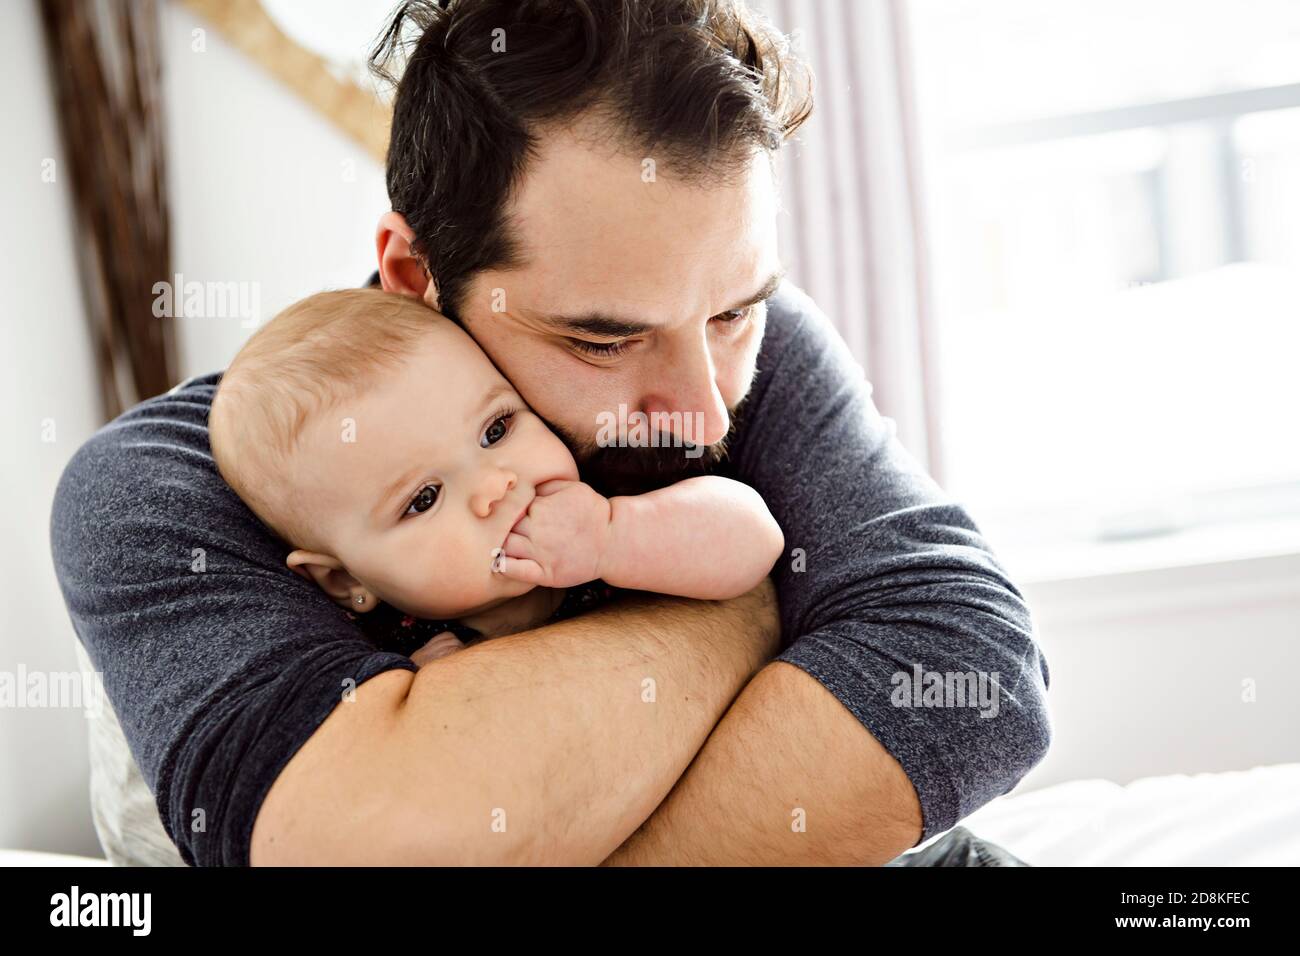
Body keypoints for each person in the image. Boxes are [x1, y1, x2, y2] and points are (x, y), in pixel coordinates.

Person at [50, 0, 1051, 866]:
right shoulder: (171, 485)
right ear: (414, 273)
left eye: (735, 311)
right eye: (600, 339)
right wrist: (743, 609)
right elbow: (375, 839)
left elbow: (977, 680)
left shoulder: (737, 342)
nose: (702, 412)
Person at [207, 287, 785, 662]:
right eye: (424, 498)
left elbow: (754, 540)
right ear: (343, 582)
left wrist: (616, 537)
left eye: (496, 429)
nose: (495, 485)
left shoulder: (603, 514)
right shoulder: (390, 659)